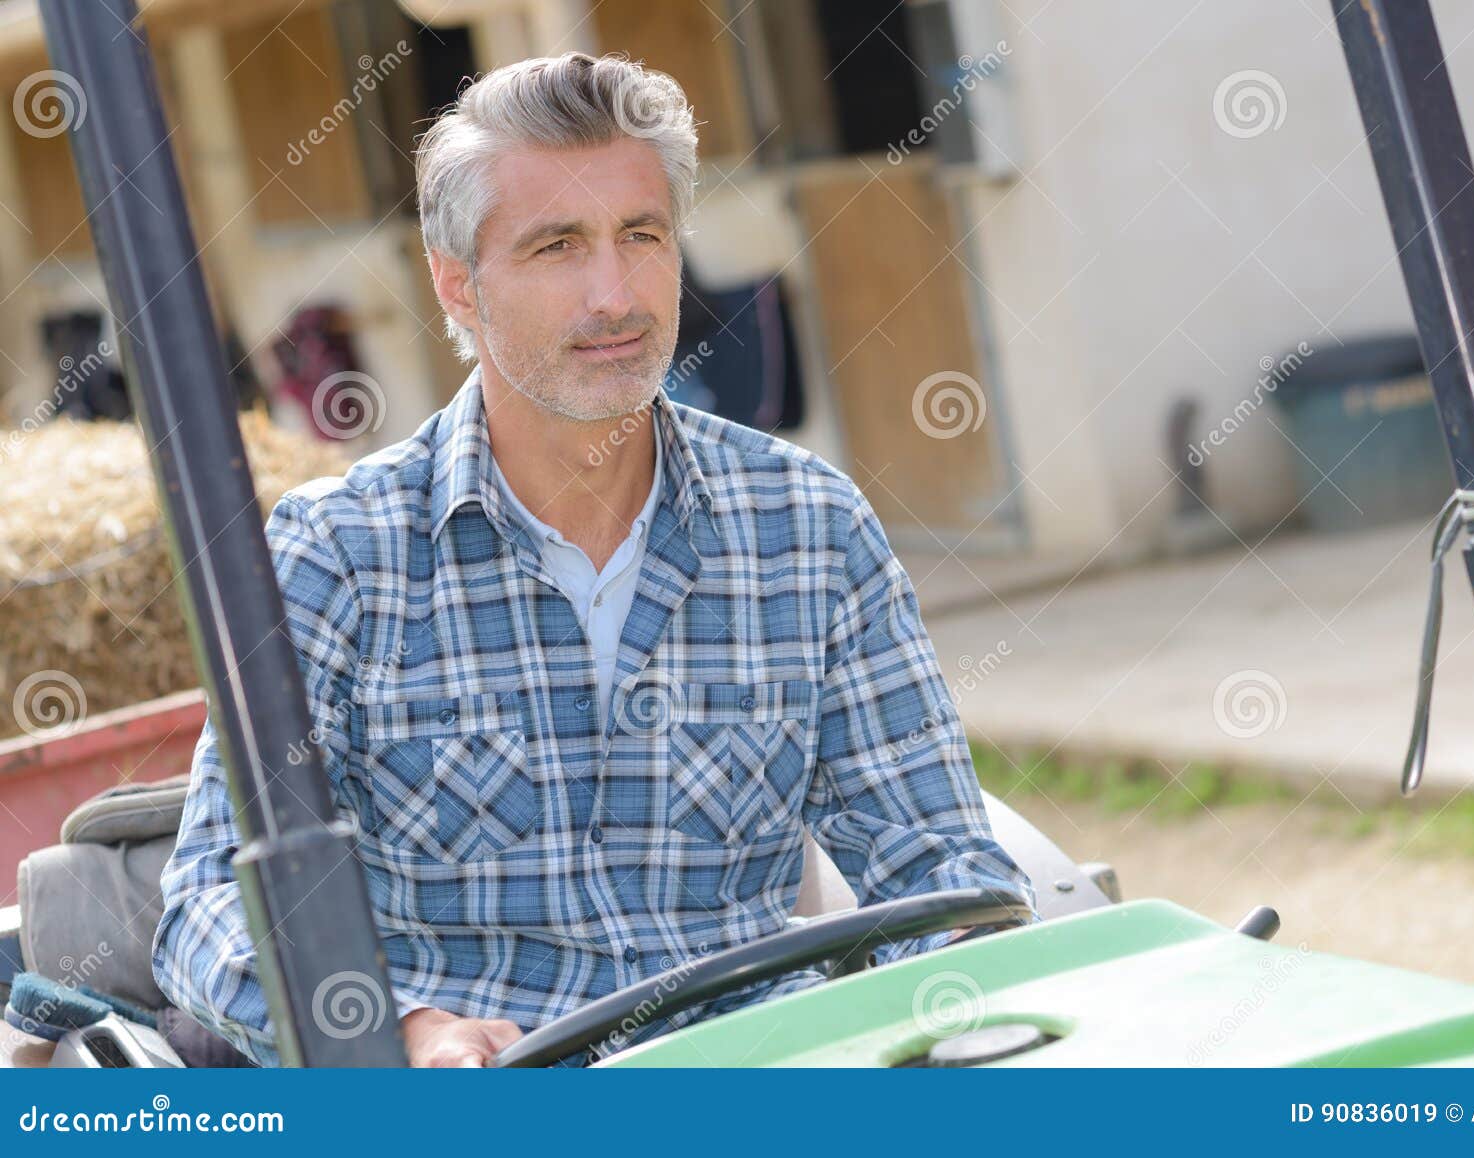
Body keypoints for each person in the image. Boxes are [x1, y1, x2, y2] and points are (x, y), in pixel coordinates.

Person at [152, 52, 1034, 1069]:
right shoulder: (336, 558)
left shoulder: (809, 527)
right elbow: (210, 911)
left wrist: (975, 976)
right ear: (458, 284)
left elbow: (936, 869)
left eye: (641, 236)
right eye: (557, 246)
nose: (615, 295)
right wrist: (402, 1032)